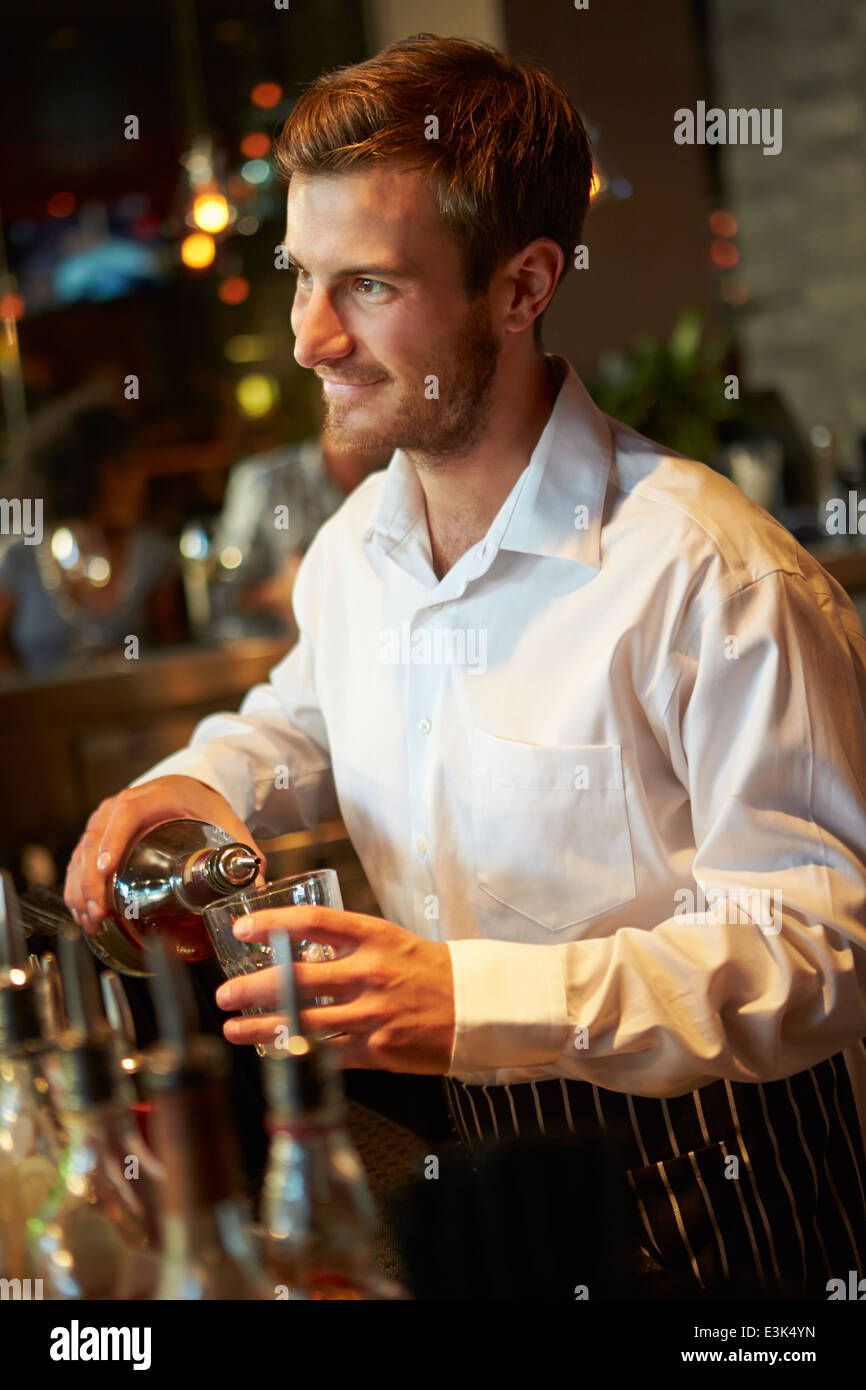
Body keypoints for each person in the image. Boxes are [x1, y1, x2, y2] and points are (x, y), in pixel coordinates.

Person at [64, 35, 866, 1297]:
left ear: (521, 285)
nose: (309, 339)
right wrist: (204, 780)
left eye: (368, 287)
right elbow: (300, 717)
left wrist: (465, 997)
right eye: (302, 278)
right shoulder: (357, 549)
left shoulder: (711, 575)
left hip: (727, 1190)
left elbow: (822, 951)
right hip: (495, 1169)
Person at [0, 403, 186, 672]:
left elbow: (173, 650)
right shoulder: (20, 556)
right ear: (82, 476)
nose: (139, 482)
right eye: (122, 470)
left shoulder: (154, 554)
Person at [208, 430, 389, 633]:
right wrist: (281, 591)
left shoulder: (397, 480)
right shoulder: (266, 481)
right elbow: (220, 596)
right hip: (279, 653)